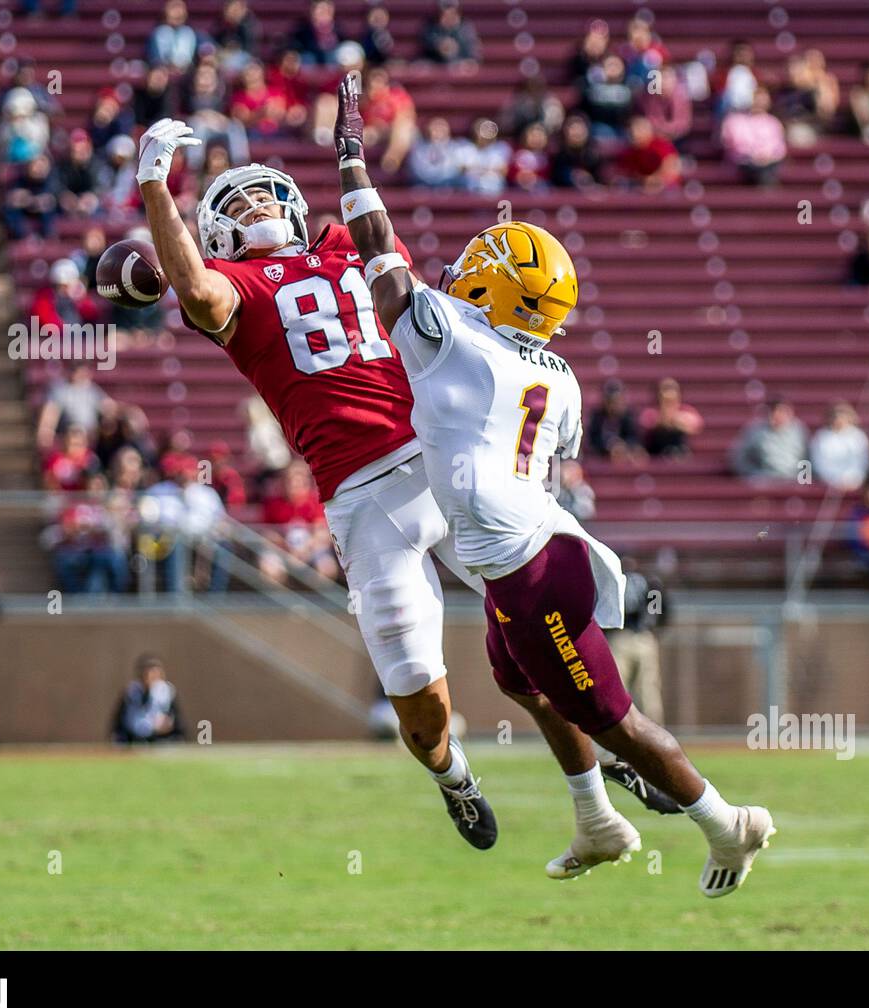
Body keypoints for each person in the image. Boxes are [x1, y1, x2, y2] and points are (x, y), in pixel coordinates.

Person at [134, 116, 676, 854]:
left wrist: (354, 158)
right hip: (362, 498)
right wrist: (154, 185)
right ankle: (453, 775)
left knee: (537, 619)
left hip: (441, 460)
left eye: (267, 196)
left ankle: (612, 750)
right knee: (419, 700)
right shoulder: (234, 291)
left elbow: (393, 257)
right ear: (218, 234)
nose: (258, 209)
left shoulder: (340, 245)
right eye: (240, 205)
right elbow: (194, 289)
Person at [336, 76, 775, 896]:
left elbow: (377, 249)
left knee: (614, 720)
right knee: (516, 680)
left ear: (498, 287)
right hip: (540, 546)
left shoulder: (450, 337)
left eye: (483, 266)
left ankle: (727, 822)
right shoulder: (561, 374)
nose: (466, 270)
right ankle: (597, 818)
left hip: (530, 570)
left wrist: (353, 159)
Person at [606, 559, 670, 727]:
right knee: (648, 692)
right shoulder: (651, 582)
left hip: (620, 638)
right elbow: (659, 612)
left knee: (618, 690)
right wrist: (654, 630)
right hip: (643, 637)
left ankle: (619, 736)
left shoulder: (613, 581)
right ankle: (655, 737)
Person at [720, 86, 786, 186]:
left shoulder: (774, 122)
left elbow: (779, 149)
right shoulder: (734, 120)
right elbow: (733, 145)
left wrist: (766, 156)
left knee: (767, 172)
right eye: (757, 99)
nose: (760, 103)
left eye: (763, 100)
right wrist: (753, 156)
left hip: (768, 164)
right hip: (744, 164)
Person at [111, 655, 184, 743]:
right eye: (149, 673)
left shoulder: (167, 693)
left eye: (156, 673)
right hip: (134, 739)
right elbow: (119, 721)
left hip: (160, 739)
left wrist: (168, 724)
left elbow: (177, 723)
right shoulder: (130, 693)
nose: (152, 677)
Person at [732, 397, 807, 479]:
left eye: (783, 412)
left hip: (793, 480)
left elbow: (807, 458)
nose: (779, 416)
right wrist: (754, 475)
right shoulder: (756, 432)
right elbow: (739, 459)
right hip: (765, 480)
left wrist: (804, 481)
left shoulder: (799, 431)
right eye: (775, 412)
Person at [809, 401, 869, 490]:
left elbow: (862, 462)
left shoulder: (858, 436)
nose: (838, 419)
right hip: (828, 483)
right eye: (835, 416)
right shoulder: (820, 437)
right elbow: (818, 463)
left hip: (854, 483)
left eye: (842, 416)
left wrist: (852, 479)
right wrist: (834, 480)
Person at [640, 377, 701, 456]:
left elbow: (695, 427)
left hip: (680, 452)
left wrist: (676, 421)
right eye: (665, 388)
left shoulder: (687, 410)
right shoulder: (650, 412)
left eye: (672, 388)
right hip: (656, 452)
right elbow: (648, 426)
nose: (669, 392)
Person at [587, 380, 642, 461]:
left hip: (625, 455)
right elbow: (593, 440)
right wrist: (609, 445)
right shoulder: (597, 417)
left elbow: (633, 438)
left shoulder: (628, 417)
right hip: (602, 456)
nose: (613, 405)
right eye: (610, 402)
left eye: (616, 401)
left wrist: (622, 446)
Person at [421, 0, 479, 65]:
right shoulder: (431, 26)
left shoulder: (466, 29)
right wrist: (438, 44)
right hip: (436, 64)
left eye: (452, 14)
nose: (448, 17)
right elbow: (427, 44)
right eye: (444, 14)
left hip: (459, 64)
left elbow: (472, 54)